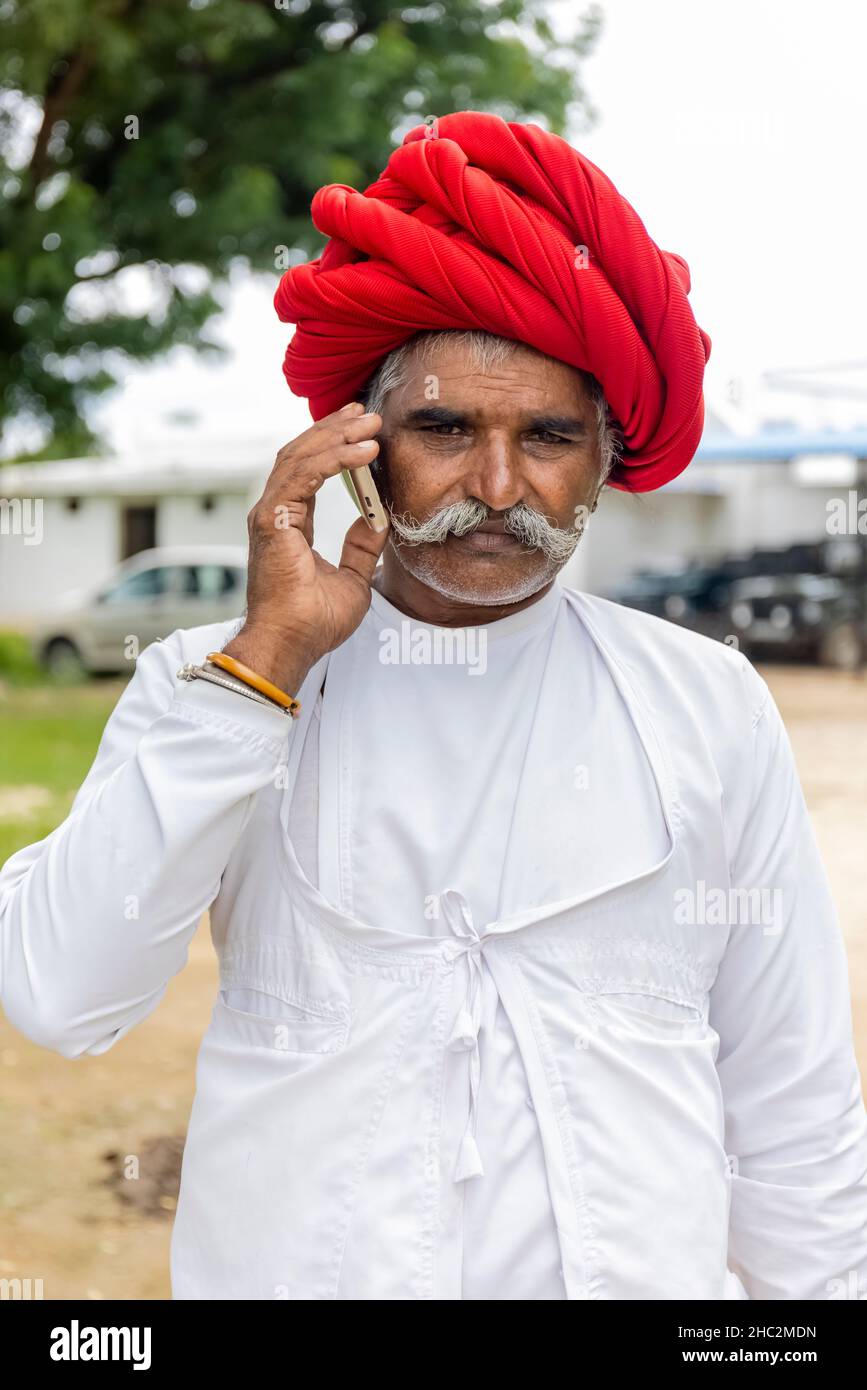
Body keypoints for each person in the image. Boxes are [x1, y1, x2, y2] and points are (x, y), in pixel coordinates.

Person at [2, 112, 866, 1301]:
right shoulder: (215, 680)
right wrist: (265, 669)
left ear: (605, 459)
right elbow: (61, 995)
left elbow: (794, 1103)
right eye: (446, 429)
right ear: (360, 448)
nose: (499, 487)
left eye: (550, 436)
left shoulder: (706, 702)